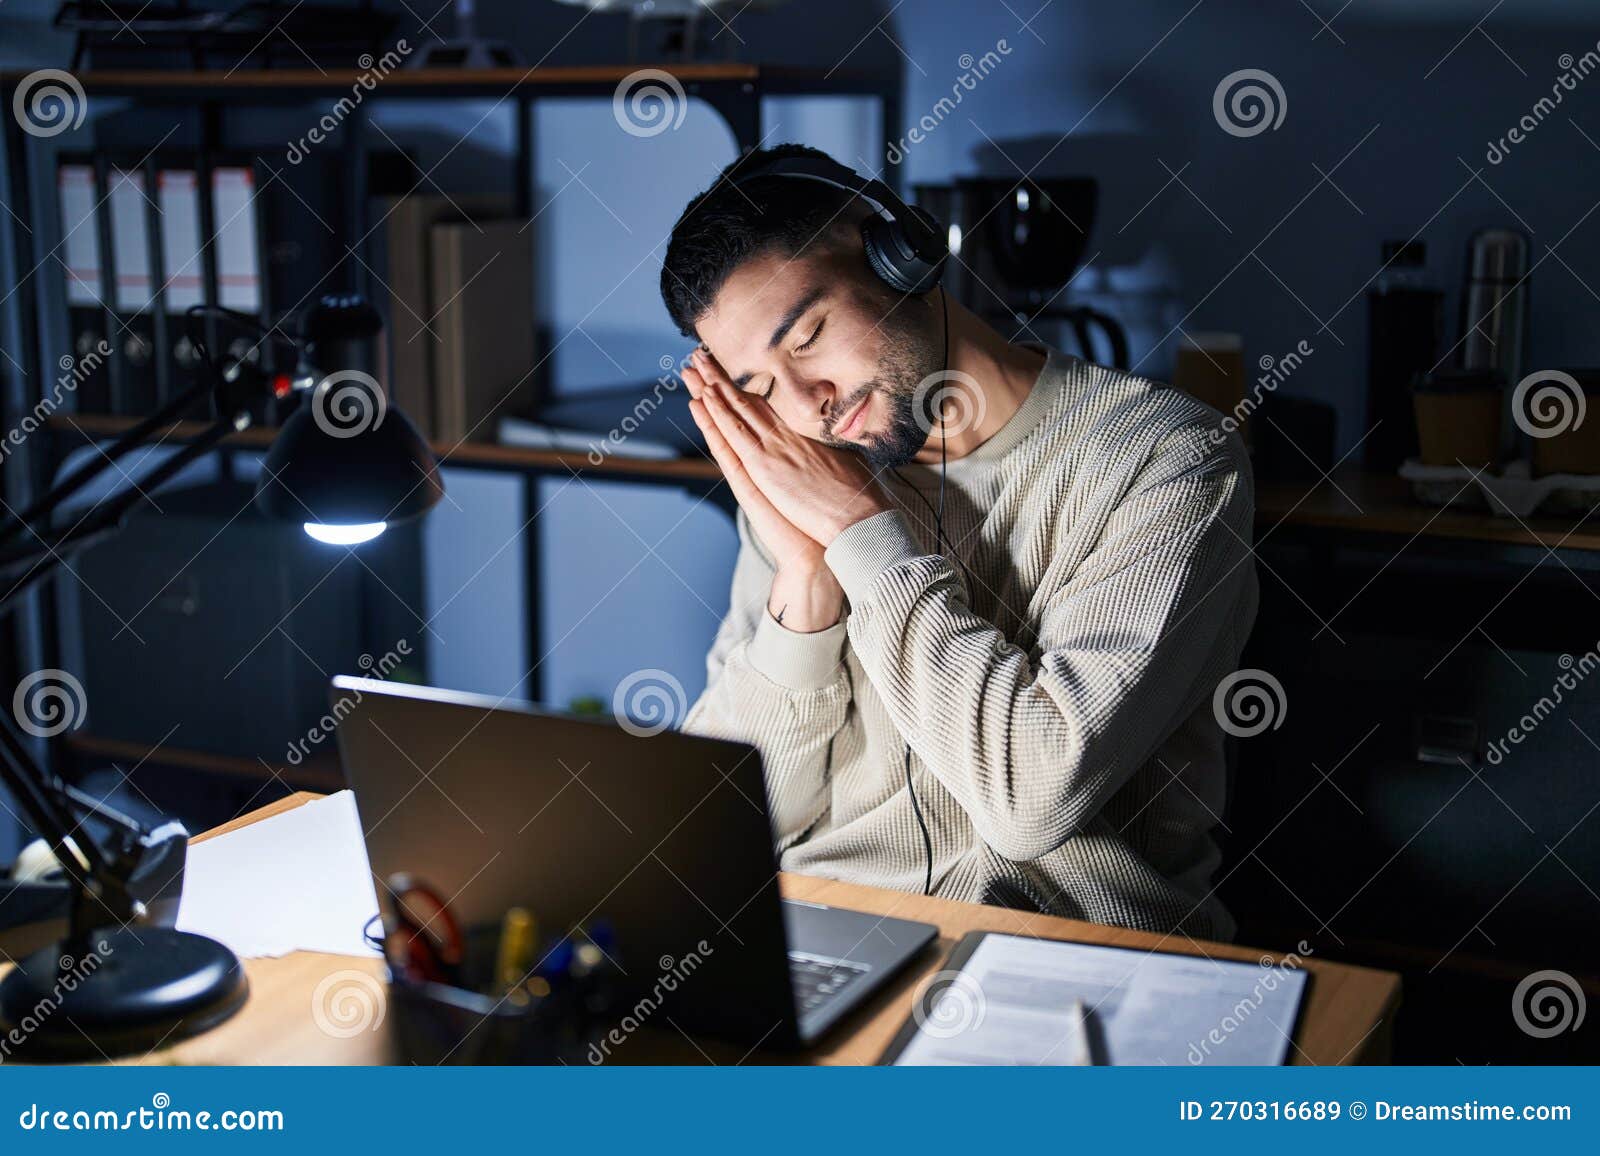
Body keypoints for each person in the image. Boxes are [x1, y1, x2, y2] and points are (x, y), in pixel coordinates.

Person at [662, 145, 1256, 939]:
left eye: (807, 336)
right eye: (761, 388)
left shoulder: (1168, 460)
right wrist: (804, 589)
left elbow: (1030, 801)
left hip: (1066, 957)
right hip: (833, 936)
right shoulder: (802, 481)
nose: (809, 406)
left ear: (895, 254)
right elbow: (722, 820)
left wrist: (862, 536)